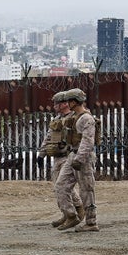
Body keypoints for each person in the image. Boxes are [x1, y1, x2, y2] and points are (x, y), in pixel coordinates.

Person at [54, 88, 99, 232]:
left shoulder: (86, 118)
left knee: (86, 189)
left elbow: (87, 141)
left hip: (83, 157)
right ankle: (71, 215)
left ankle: (91, 222)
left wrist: (79, 159)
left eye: (69, 101)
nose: (67, 103)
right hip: (72, 154)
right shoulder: (74, 117)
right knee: (60, 185)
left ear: (74, 101)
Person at [39, 91, 83, 228]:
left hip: (68, 156)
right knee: (58, 187)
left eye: (56, 103)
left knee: (63, 186)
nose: (54, 106)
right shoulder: (57, 119)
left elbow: (78, 139)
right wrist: (41, 154)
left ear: (65, 104)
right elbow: (49, 137)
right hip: (57, 157)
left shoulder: (74, 118)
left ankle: (76, 212)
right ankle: (67, 213)